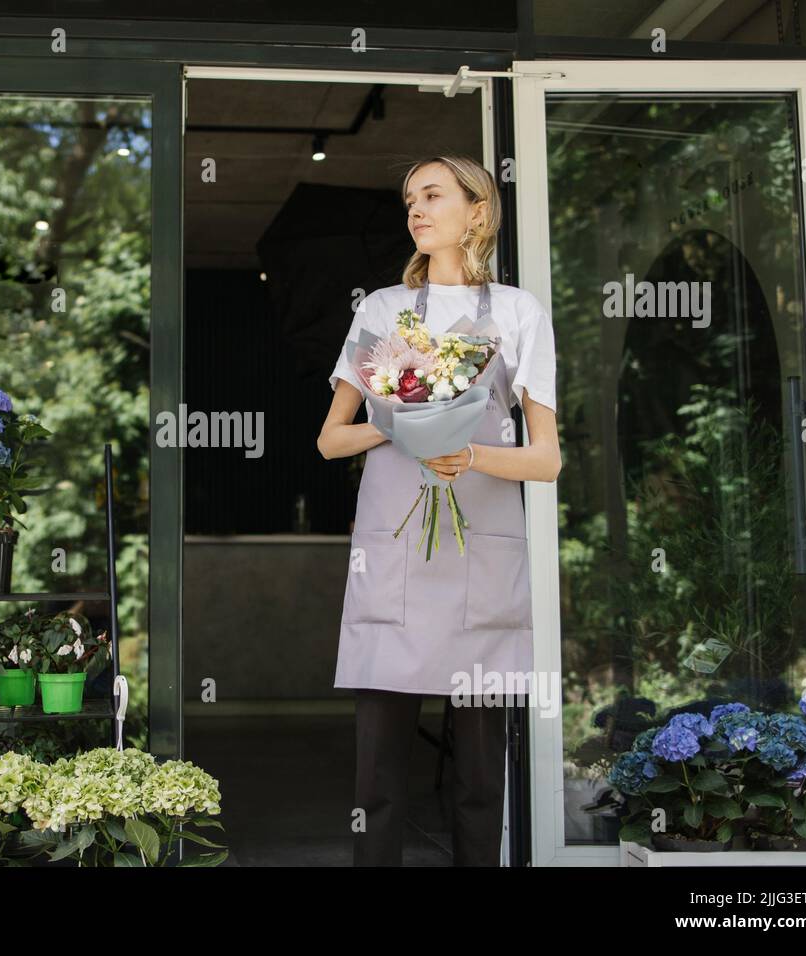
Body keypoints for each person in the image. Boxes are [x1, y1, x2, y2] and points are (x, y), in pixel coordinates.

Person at [317, 154, 561, 866]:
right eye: (409, 200)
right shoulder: (383, 309)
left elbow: (545, 459)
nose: (415, 211)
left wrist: (472, 455)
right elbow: (332, 440)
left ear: (476, 212)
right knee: (379, 779)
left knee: (480, 780)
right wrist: (405, 424)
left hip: (479, 560)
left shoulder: (518, 312)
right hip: (394, 561)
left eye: (431, 195)